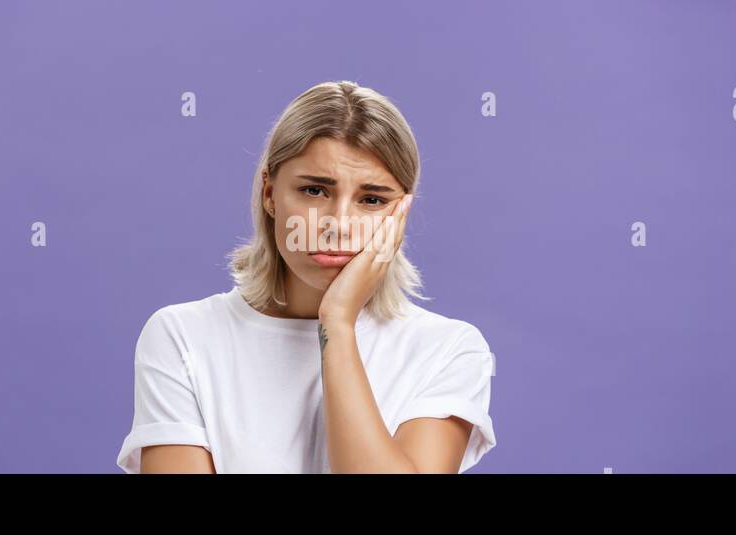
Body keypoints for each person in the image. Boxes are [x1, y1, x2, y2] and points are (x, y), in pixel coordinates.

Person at [117, 80, 496, 473]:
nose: (338, 224)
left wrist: (337, 323)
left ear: (401, 213)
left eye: (372, 200)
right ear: (269, 194)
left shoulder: (447, 350)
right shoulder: (183, 337)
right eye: (315, 191)